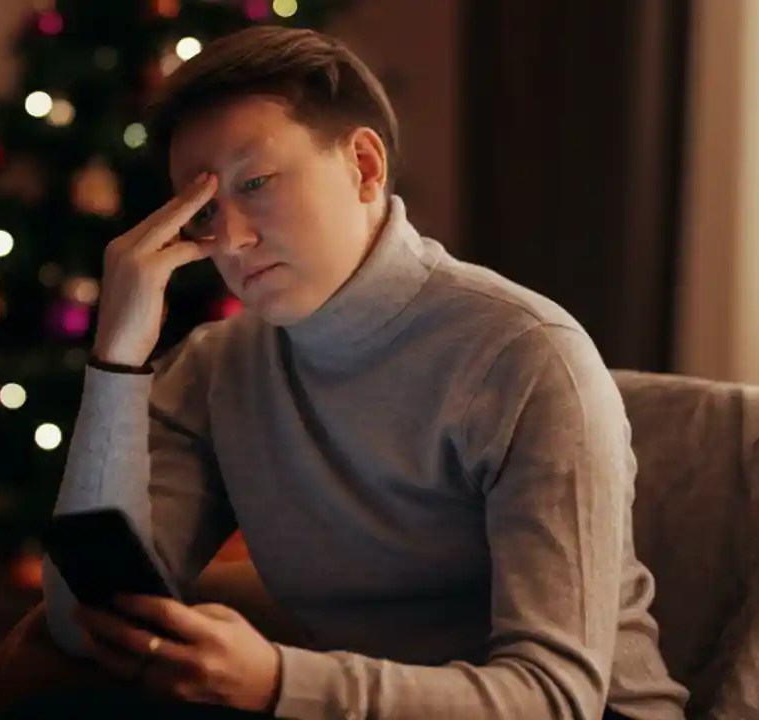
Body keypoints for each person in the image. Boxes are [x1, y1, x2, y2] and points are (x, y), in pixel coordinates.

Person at [38, 26, 689, 720]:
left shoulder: (525, 357)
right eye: (201, 212)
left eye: (255, 184)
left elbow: (558, 698)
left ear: (364, 166)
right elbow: (83, 622)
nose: (228, 240)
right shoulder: (216, 368)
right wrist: (117, 357)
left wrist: (280, 683)